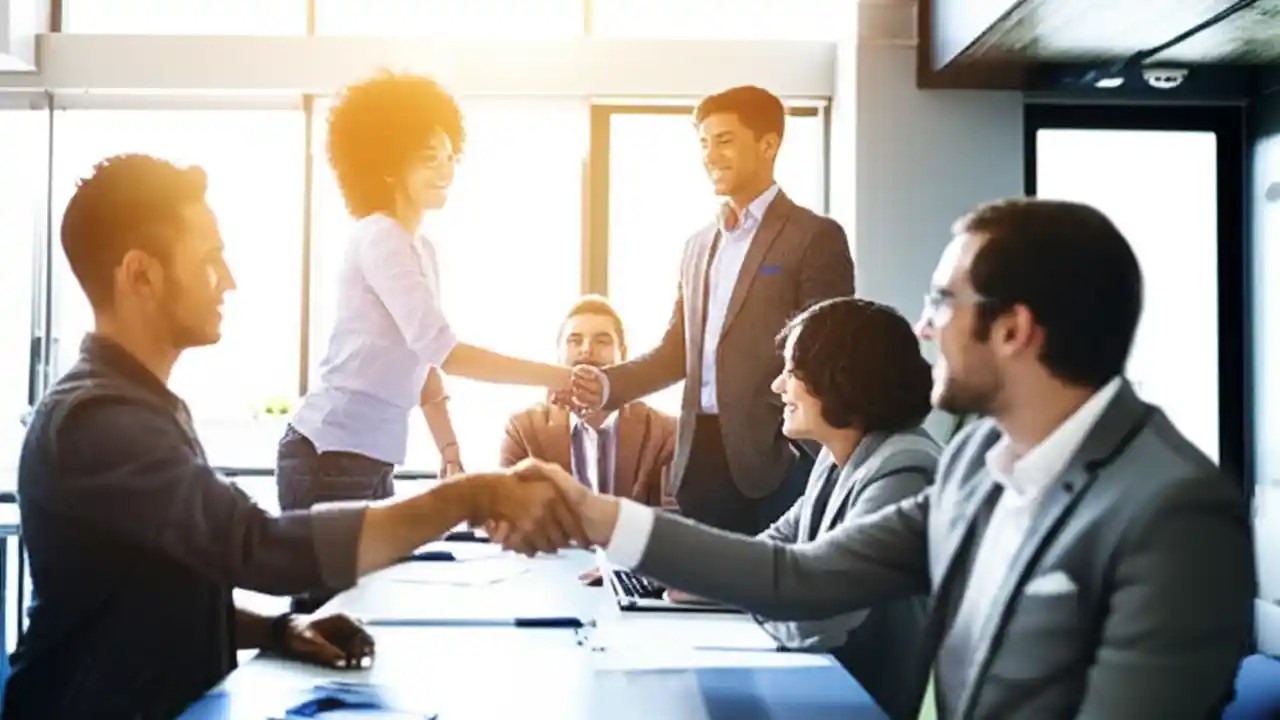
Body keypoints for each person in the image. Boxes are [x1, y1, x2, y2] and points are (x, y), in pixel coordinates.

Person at [518, 198, 1256, 719]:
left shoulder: (1173, 510)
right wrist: (600, 516)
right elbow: (798, 575)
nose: (926, 327)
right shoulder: (976, 467)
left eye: (942, 302)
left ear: (1013, 329)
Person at [6, 154, 585, 719]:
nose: (228, 281)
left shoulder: (139, 406)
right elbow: (260, 549)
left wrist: (281, 628)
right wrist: (472, 494)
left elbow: (153, 597)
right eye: (211, 259)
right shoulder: (98, 422)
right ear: (141, 274)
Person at [278, 71, 574, 514]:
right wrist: (560, 376)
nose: (446, 169)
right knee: (339, 586)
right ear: (386, 164)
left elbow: (422, 366)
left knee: (372, 584)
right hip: (330, 455)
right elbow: (445, 352)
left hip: (368, 457)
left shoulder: (421, 248)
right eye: (428, 158)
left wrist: (449, 450)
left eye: (450, 155)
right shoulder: (381, 236)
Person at [570, 85, 855, 535]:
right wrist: (605, 386)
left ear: (768, 145)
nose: (710, 155)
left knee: (767, 595)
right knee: (697, 598)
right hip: (699, 459)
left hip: (774, 460)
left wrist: (800, 445)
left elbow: (826, 354)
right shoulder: (697, 246)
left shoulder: (814, 236)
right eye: (704, 143)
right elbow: (674, 353)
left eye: (724, 140)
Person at [671, 297, 939, 719]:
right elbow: (771, 551)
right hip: (819, 686)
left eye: (791, 372)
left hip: (859, 704)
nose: (778, 386)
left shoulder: (904, 468)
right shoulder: (834, 458)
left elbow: (812, 618)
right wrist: (675, 567)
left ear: (842, 377)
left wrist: (748, 588)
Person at [500, 295, 676, 507]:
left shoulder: (664, 433)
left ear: (624, 355)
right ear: (558, 354)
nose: (586, 349)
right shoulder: (523, 430)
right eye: (575, 341)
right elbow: (508, 513)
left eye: (602, 341)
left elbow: (671, 521)